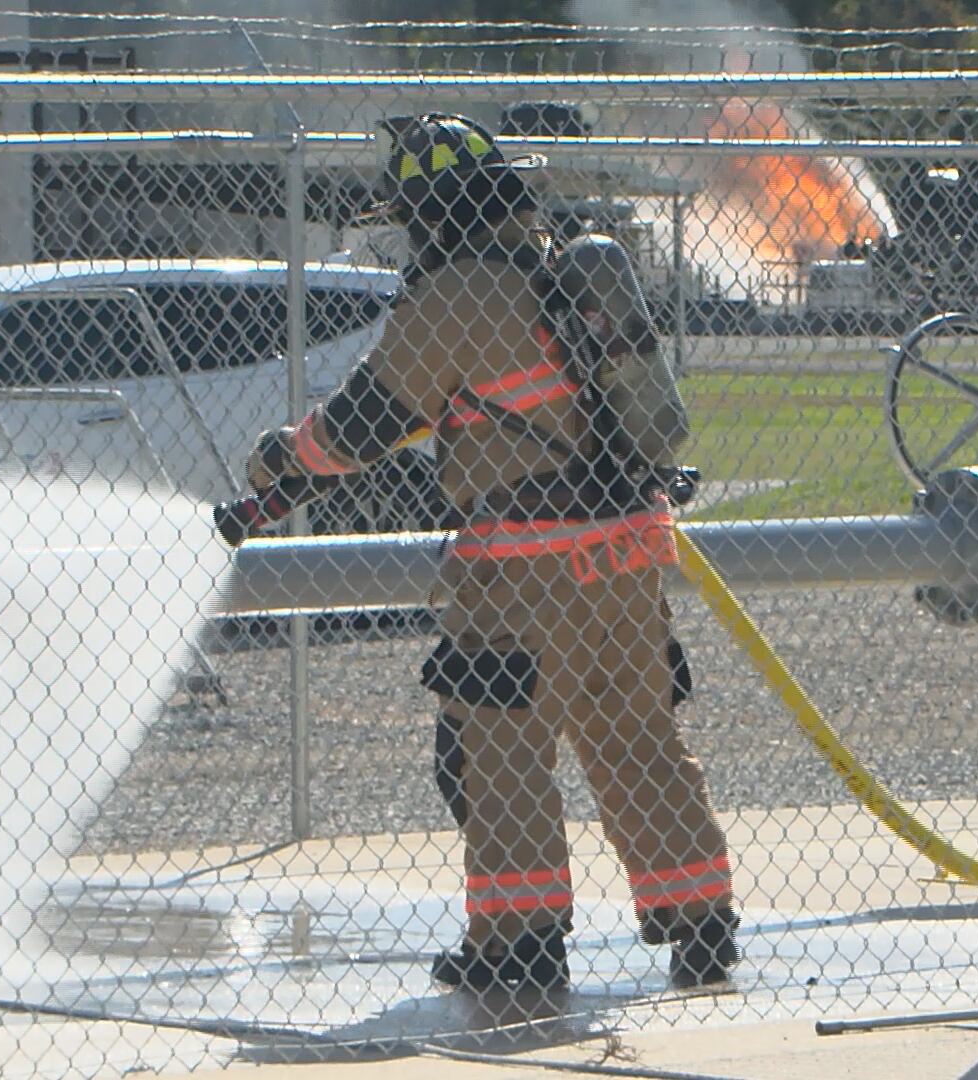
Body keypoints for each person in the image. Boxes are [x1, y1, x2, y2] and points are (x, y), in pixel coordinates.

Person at [247, 113, 742, 989]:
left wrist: (288, 461)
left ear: (430, 214)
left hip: (522, 571)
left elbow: (370, 418)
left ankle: (518, 944)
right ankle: (702, 924)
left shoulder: (453, 297)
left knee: (495, 752)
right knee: (637, 737)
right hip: (626, 556)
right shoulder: (554, 273)